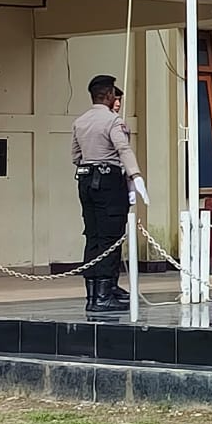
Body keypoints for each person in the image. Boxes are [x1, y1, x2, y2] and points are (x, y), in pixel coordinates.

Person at [72, 74, 150, 313]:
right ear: (108, 96)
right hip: (108, 181)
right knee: (110, 238)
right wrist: (136, 177)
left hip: (85, 181)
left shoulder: (80, 121)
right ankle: (105, 295)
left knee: (93, 237)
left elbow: (76, 156)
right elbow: (123, 149)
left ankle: (93, 295)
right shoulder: (113, 121)